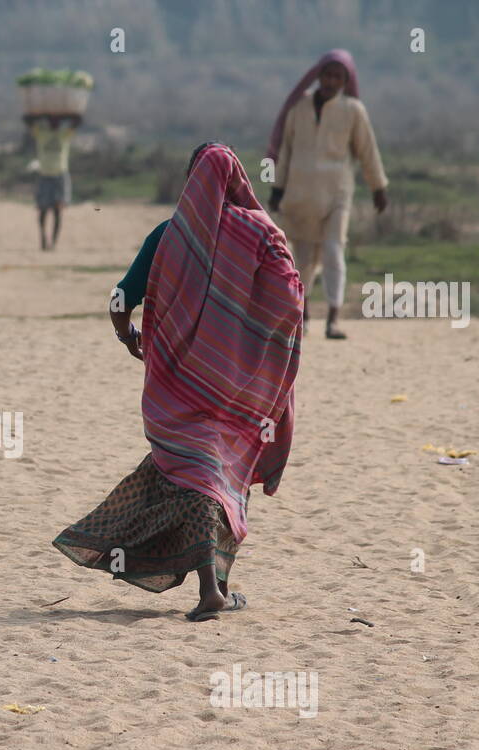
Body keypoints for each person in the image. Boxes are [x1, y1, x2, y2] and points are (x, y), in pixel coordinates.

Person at [53, 143, 303, 622]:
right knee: (222, 476)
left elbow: (119, 299)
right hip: (239, 389)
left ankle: (215, 588)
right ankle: (216, 588)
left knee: (196, 475)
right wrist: (253, 345)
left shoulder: (170, 237)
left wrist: (128, 336)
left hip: (179, 389)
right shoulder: (263, 234)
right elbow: (290, 300)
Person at [267, 49, 388, 340]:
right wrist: (277, 188)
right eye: (327, 75)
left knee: (334, 251)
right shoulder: (299, 108)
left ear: (345, 80)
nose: (331, 81)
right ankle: (303, 317)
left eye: (338, 76)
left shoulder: (353, 111)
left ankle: (333, 318)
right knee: (303, 259)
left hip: (337, 194)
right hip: (300, 195)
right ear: (318, 76)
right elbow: (286, 151)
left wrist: (378, 187)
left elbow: (367, 151)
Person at [26, 114, 78, 250]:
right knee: (42, 210)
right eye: (51, 120)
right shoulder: (41, 134)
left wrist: (67, 115)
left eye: (57, 120)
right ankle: (43, 238)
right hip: (44, 175)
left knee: (57, 210)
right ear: (47, 121)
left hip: (60, 175)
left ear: (60, 122)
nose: (54, 122)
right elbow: (27, 119)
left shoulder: (64, 134)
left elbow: (78, 121)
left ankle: (53, 242)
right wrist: (41, 114)